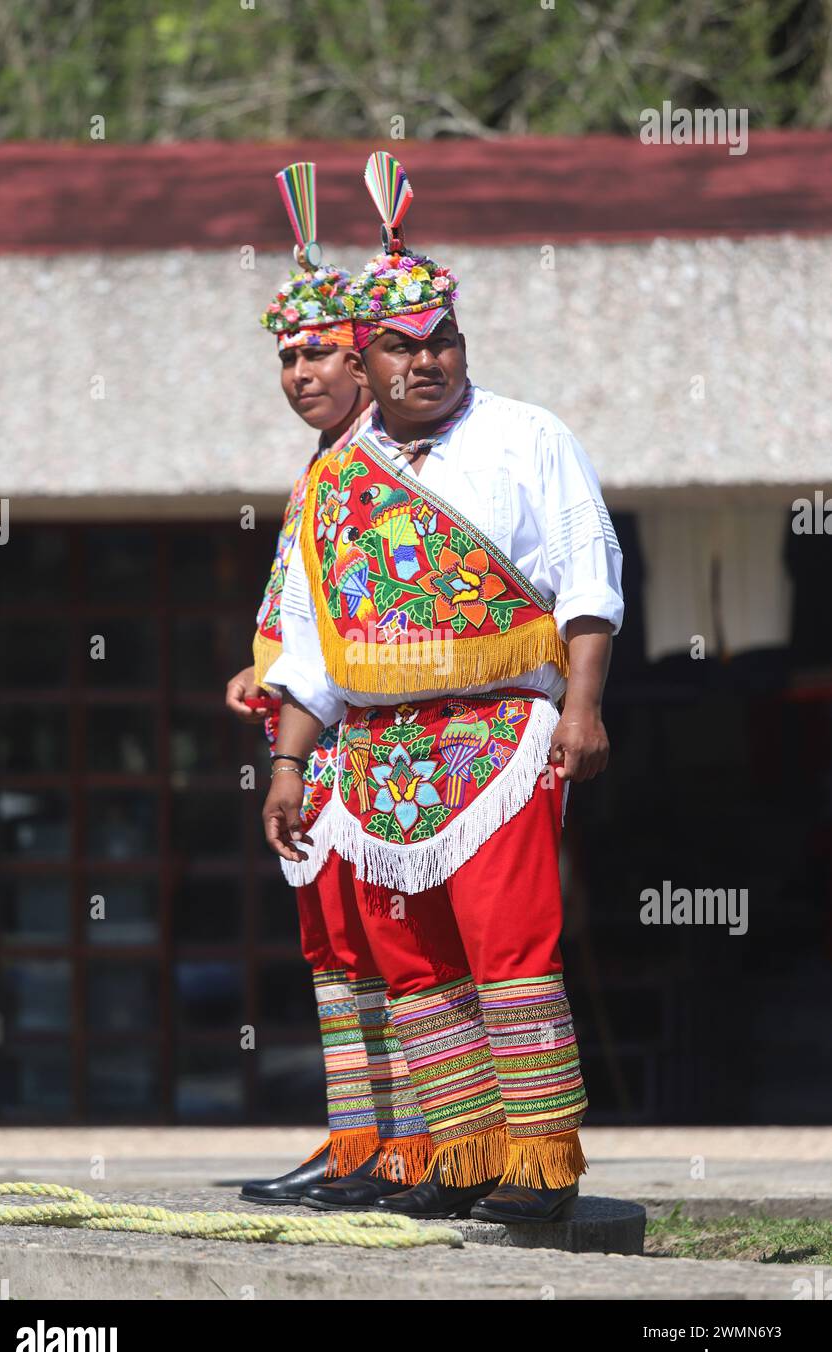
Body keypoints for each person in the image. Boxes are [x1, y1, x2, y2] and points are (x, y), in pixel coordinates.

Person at [261, 153, 625, 1223]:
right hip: (372, 751)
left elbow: (586, 577)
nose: (424, 362)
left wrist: (584, 704)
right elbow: (308, 643)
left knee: (509, 946)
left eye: (442, 342)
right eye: (400, 347)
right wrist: (288, 764)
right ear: (364, 361)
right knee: (412, 962)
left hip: (498, 733)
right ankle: (457, 1157)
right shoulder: (335, 481)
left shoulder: (523, 436)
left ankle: (539, 1164)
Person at [230, 163, 433, 1206]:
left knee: (390, 943)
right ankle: (357, 1138)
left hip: (386, 739)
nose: (297, 372)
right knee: (335, 949)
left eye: (316, 352)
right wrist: (260, 672)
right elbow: (304, 606)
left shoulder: (393, 461)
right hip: (316, 737)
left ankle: (413, 1147)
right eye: (284, 357)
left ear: (365, 362)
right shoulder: (323, 466)